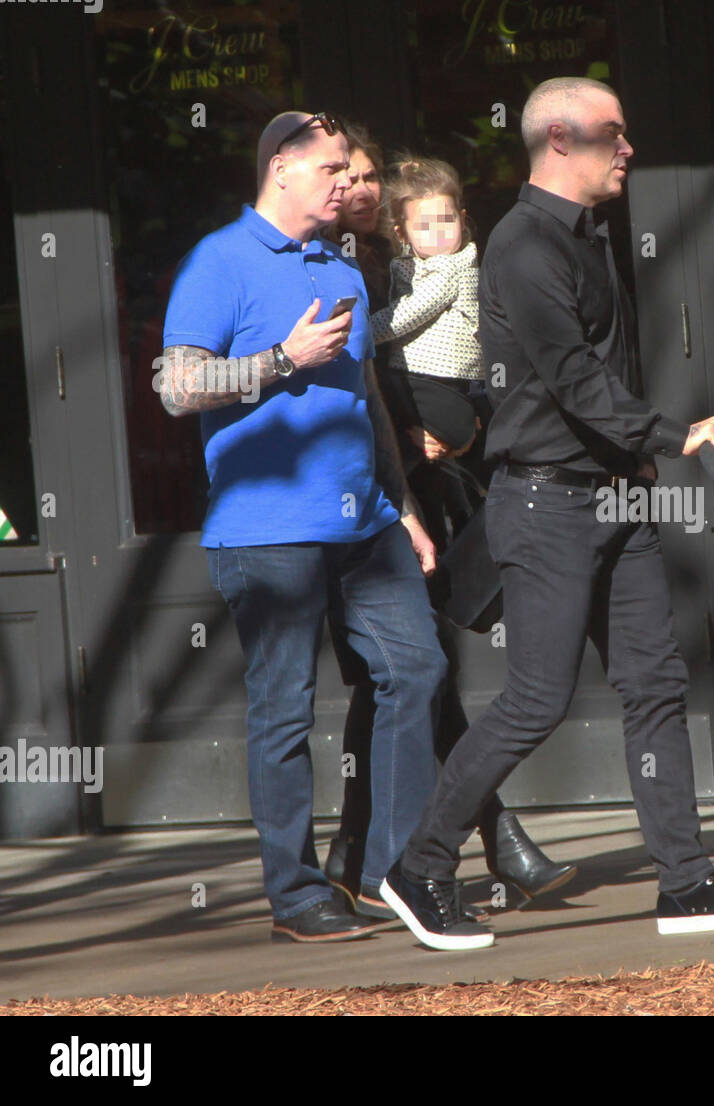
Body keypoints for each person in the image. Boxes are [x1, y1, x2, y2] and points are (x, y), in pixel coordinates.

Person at [382, 77, 714, 950]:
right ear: (559, 139)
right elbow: (573, 380)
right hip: (547, 503)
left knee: (655, 685)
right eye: (611, 135)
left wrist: (640, 456)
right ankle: (421, 867)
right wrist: (674, 432)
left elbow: (595, 379)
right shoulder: (521, 246)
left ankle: (686, 880)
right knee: (535, 699)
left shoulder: (586, 237)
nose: (627, 150)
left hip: (613, 496)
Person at [159, 111, 445, 943]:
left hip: (367, 523)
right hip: (265, 528)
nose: (346, 183)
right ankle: (296, 895)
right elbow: (176, 386)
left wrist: (409, 507)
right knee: (284, 711)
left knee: (417, 672)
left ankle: (393, 872)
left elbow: (372, 404)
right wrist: (280, 361)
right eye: (329, 169)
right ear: (281, 169)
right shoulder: (221, 260)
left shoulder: (342, 266)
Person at [321, 140, 573, 918]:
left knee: (408, 674)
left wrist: (461, 431)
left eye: (369, 176)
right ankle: (488, 837)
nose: (360, 188)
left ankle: (358, 852)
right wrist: (407, 434)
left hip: (435, 485)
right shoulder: (341, 268)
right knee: (409, 672)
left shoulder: (409, 262)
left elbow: (457, 357)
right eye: (348, 177)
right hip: (373, 499)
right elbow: (363, 375)